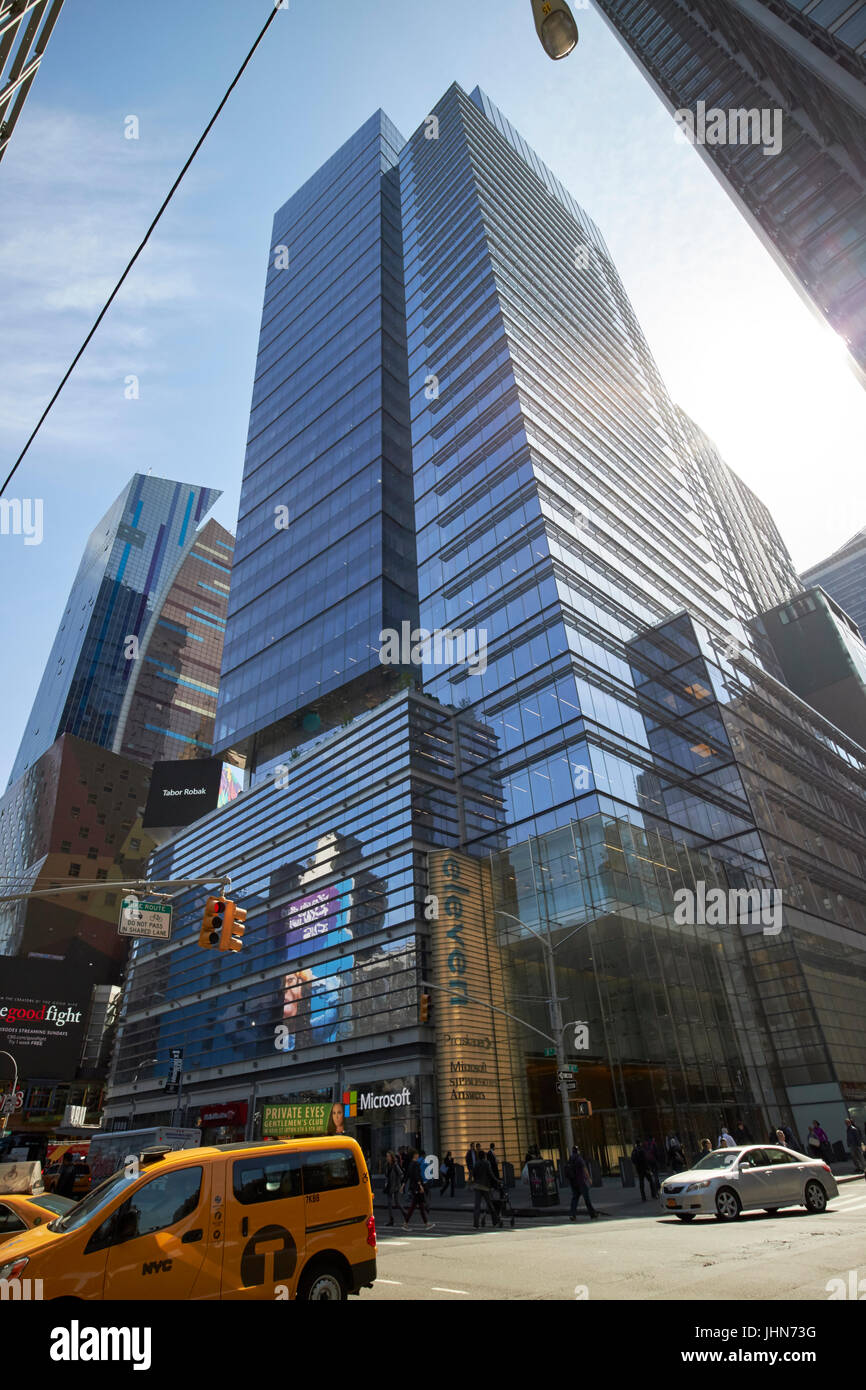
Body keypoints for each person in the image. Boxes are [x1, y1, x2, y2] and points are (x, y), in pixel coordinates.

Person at [565, 1145, 598, 1221]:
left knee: (575, 1199)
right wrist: (589, 1178)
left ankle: (572, 1214)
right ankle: (592, 1214)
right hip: (581, 1182)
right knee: (586, 1199)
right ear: (578, 1151)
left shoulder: (570, 1159)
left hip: (573, 1182)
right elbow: (584, 1169)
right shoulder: (579, 1159)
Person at [403, 1151, 435, 1230]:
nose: (418, 1155)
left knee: (419, 1206)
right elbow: (417, 1176)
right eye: (417, 1154)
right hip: (417, 1187)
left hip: (413, 1187)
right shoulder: (416, 1164)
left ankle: (426, 1223)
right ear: (415, 1155)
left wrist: (403, 1184)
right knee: (414, 1206)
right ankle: (406, 1223)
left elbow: (407, 1175)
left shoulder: (410, 1164)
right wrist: (420, 1186)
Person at [470, 1149, 500, 1229]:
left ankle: (476, 1224)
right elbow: (491, 1174)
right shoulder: (487, 1163)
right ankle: (495, 1221)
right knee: (490, 1204)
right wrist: (497, 1180)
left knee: (477, 1206)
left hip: (477, 1186)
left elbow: (474, 1175)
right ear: (484, 1156)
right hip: (485, 1187)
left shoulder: (476, 1164)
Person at [383, 1151, 406, 1226]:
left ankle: (405, 1214)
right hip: (389, 1186)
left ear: (392, 1157)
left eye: (388, 1156)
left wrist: (400, 1184)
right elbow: (386, 1175)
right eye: (386, 1156)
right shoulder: (386, 1165)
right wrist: (386, 1182)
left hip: (395, 1186)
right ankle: (391, 1220)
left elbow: (401, 1174)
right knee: (389, 1203)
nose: (387, 1158)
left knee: (397, 1203)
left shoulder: (395, 1165)